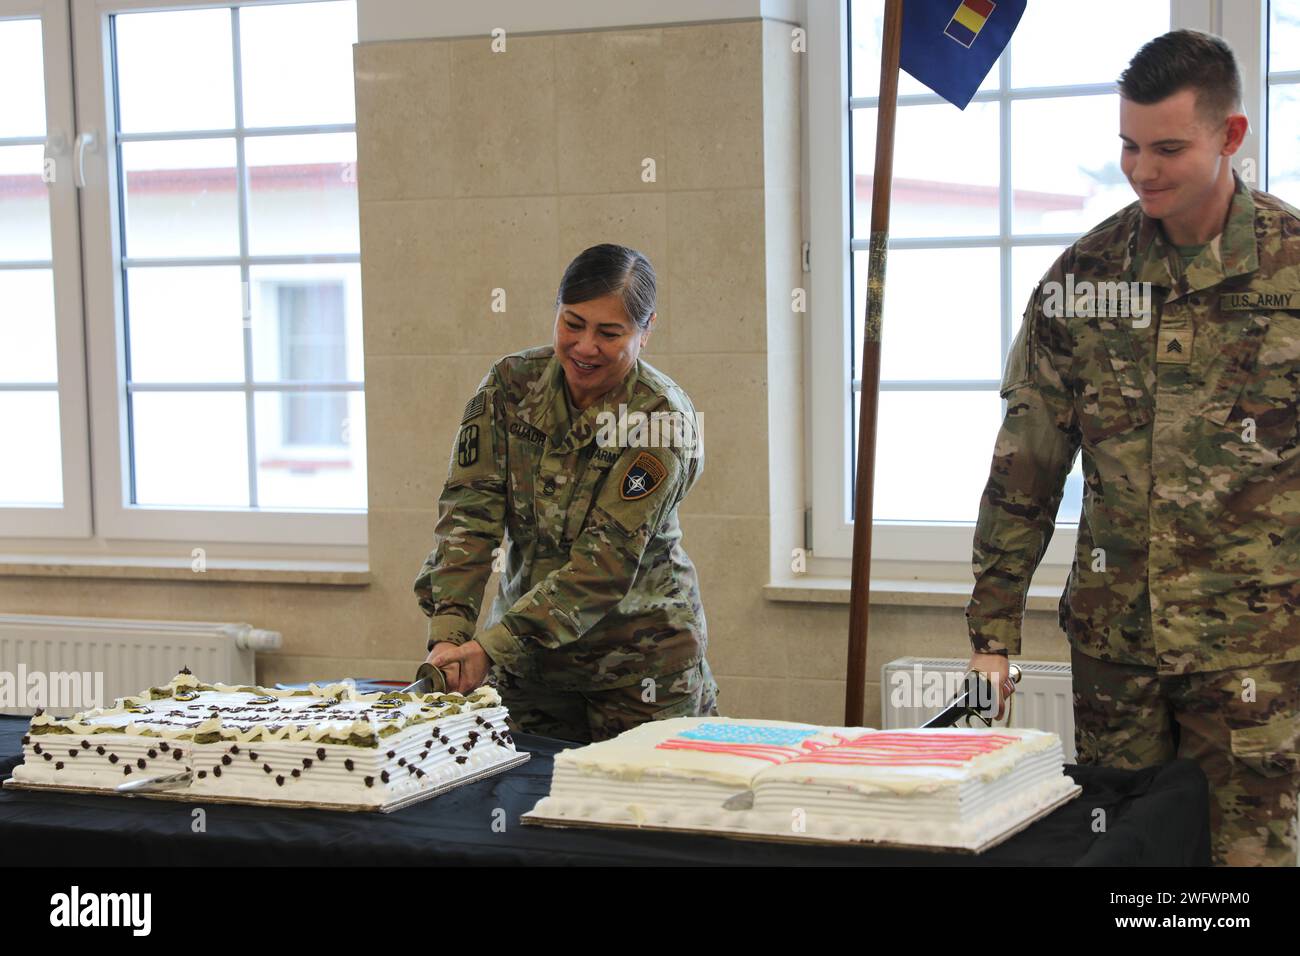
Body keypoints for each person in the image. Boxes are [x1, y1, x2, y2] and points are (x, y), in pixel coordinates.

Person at [966, 30, 1300, 865]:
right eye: (1128, 145)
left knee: (1245, 874)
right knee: (1126, 867)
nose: (1142, 170)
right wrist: (991, 630)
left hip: (1256, 656)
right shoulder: (1083, 280)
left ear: (1231, 137)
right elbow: (1028, 464)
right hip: (1119, 655)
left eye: (1167, 148)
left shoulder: (1293, 271)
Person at [413, 243, 718, 743]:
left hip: (640, 674)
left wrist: (491, 648)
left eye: (609, 332)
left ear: (646, 330)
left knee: (641, 815)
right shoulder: (509, 386)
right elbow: (470, 515)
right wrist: (451, 631)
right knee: (522, 811)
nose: (585, 346)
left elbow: (605, 564)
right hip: (530, 670)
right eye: (572, 324)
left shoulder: (662, 420)